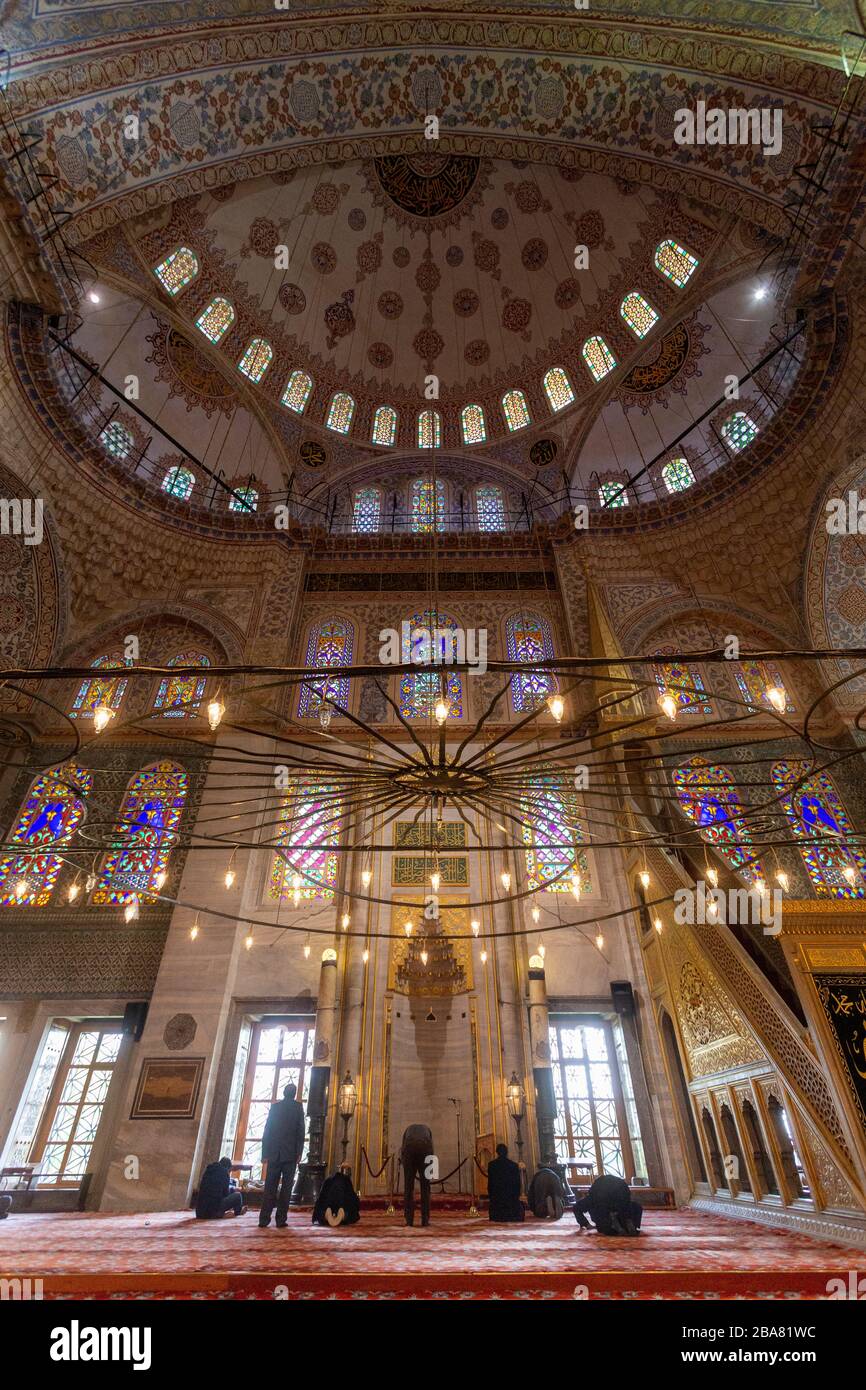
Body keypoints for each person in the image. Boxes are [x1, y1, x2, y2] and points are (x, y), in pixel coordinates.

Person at [259, 1081, 306, 1228]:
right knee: (286, 1188)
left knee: (269, 1187)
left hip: (274, 1153)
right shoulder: (298, 1108)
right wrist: (299, 1152)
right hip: (290, 1154)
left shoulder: (275, 1107)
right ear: (294, 1094)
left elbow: (267, 1130)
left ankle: (264, 1220)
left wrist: (265, 1153)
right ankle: (281, 1220)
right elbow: (300, 1132)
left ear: (284, 1093)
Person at [573, 1174, 642, 1235]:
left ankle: (614, 1224)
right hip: (623, 1213)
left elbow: (576, 1208)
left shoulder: (594, 1195)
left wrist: (586, 1224)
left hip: (605, 1219)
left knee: (607, 1226)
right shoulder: (621, 1188)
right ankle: (627, 1222)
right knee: (635, 1206)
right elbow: (629, 1201)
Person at [400, 1122, 434, 1227]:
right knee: (425, 1187)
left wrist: (404, 1162)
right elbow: (432, 1151)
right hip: (426, 1149)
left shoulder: (408, 1130)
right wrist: (431, 1171)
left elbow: (403, 1149)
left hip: (409, 1150)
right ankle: (425, 1220)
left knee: (408, 1187)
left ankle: (409, 1220)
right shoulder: (427, 1130)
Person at [486, 1143, 524, 1222]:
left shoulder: (492, 1165)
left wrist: (492, 1198)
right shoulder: (513, 1165)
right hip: (511, 1207)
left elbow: (490, 1185)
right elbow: (517, 1185)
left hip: (497, 1208)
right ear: (507, 1152)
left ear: (497, 1152)